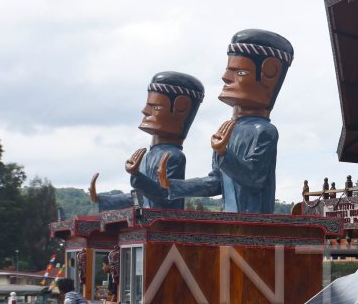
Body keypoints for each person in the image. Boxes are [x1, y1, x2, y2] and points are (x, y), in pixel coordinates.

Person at [159, 29, 294, 214]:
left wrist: (223, 153)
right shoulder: (228, 131)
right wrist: (173, 185)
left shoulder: (264, 131)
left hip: (255, 223)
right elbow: (216, 182)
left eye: (239, 71)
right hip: (230, 221)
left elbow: (254, 179)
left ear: (270, 74)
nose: (226, 77)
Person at [89, 72, 205, 210]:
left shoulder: (174, 156)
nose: (145, 111)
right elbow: (141, 197)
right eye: (148, 105)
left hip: (164, 225)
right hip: (145, 223)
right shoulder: (145, 157)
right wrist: (102, 200)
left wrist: (137, 176)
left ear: (181, 109)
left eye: (156, 107)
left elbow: (166, 197)